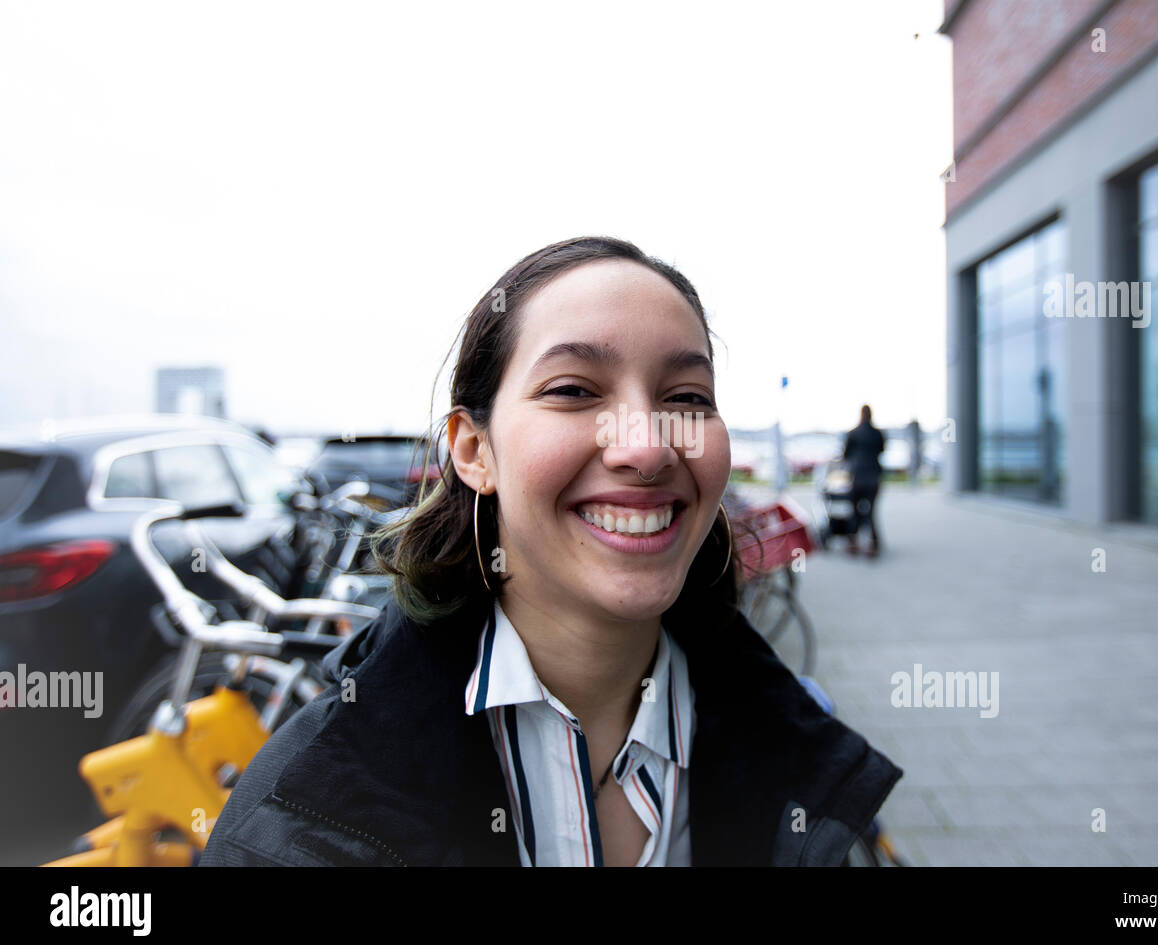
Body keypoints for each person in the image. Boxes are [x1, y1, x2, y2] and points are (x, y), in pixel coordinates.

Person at [199, 237, 901, 867]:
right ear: (474, 451)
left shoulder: (800, 758)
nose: (648, 446)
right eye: (572, 390)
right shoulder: (304, 811)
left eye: (686, 397)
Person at [842, 404, 885, 557]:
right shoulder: (877, 433)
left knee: (854, 510)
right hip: (874, 477)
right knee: (871, 512)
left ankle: (853, 542)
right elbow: (881, 450)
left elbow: (845, 455)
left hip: (857, 477)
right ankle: (873, 543)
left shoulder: (853, 433)